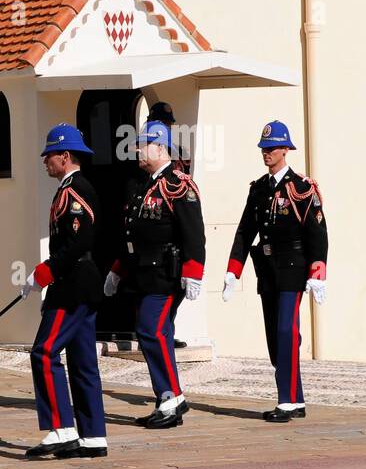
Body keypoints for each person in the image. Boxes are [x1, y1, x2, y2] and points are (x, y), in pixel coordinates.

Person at [223, 120, 328, 423]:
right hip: (267, 271)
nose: (266, 153)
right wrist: (233, 270)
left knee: (286, 332)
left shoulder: (302, 188)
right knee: (275, 339)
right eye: (264, 149)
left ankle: (285, 401)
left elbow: (317, 233)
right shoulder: (258, 189)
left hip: (293, 270)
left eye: (271, 148)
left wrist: (317, 271)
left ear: (285, 149)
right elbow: (245, 231)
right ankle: (296, 399)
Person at [104, 120, 205, 429]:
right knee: (154, 333)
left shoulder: (178, 184)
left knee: (150, 331)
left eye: (143, 145)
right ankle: (168, 397)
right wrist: (117, 271)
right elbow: (134, 235)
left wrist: (193, 271)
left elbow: (193, 233)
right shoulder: (144, 186)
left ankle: (170, 396)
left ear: (160, 148)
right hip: (144, 274)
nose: (137, 150)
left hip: (165, 274)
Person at [20, 124, 107, 458]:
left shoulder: (75, 191)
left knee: (44, 351)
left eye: (50, 156)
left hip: (73, 285)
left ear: (65, 156)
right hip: (79, 283)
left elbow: (79, 242)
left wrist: (44, 272)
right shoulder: (70, 189)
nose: (45, 162)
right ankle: (94, 435)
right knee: (83, 362)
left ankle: (62, 428)